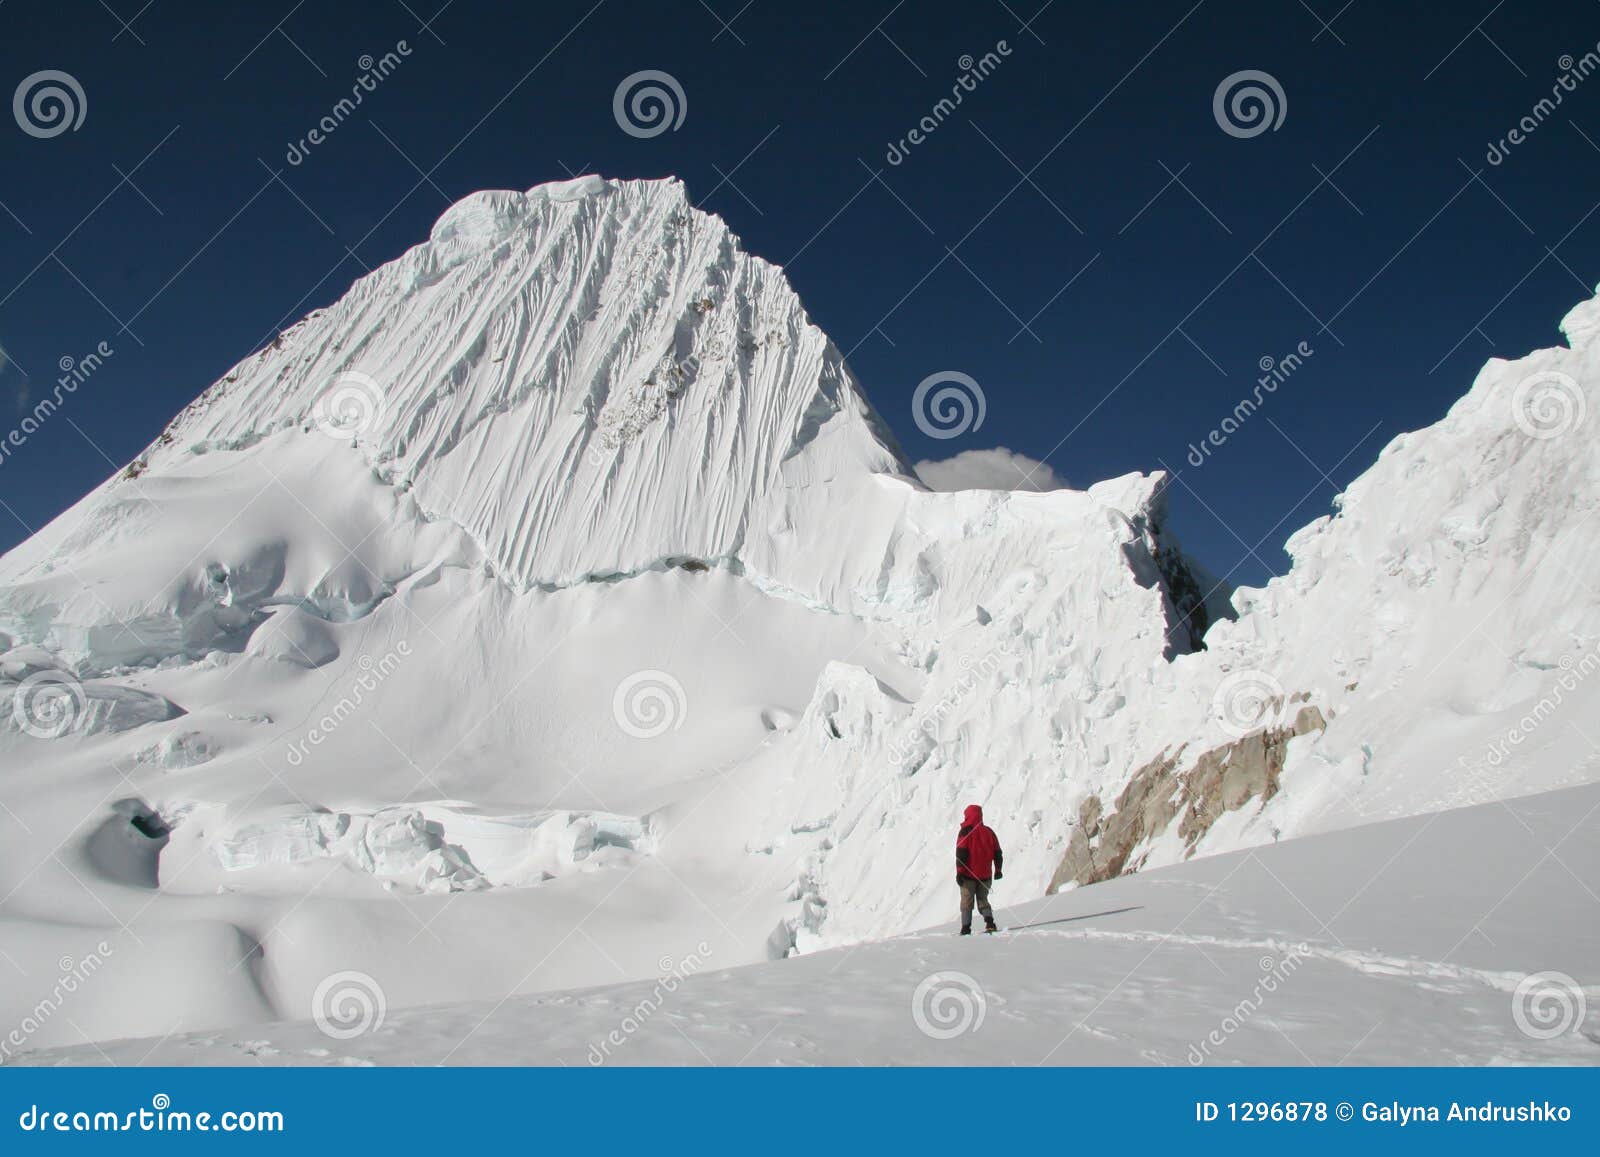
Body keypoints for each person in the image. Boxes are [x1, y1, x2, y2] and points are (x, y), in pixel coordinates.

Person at [955, 803, 1003, 935]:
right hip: (985, 876)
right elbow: (998, 853)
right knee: (983, 899)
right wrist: (998, 870)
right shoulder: (989, 832)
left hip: (968, 875)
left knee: (966, 901)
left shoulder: (965, 831)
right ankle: (990, 923)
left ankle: (966, 928)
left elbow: (961, 853)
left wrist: (959, 872)